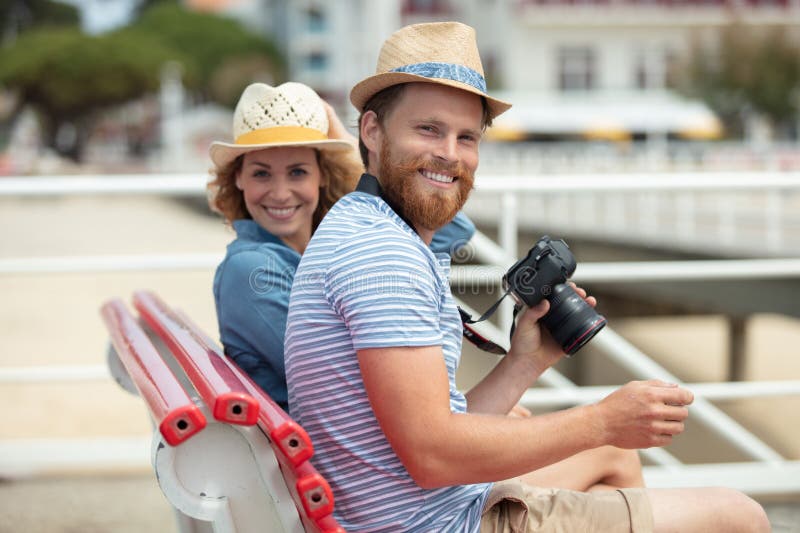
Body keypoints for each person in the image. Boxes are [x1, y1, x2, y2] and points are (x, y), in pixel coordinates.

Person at [284, 22, 770, 532]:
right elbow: (431, 455)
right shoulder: (380, 254)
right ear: (373, 132)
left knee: (615, 458)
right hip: (432, 522)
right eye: (428, 129)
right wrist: (603, 419)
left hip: (414, 507)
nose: (450, 153)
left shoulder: (365, 225)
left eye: (466, 137)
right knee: (737, 516)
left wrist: (525, 362)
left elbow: (427, 429)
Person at [207, 81, 476, 410]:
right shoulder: (250, 270)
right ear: (238, 179)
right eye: (262, 174)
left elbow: (450, 228)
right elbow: (346, 384)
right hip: (310, 454)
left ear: (321, 175)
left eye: (297, 172)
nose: (280, 192)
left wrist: (366, 150)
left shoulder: (326, 244)